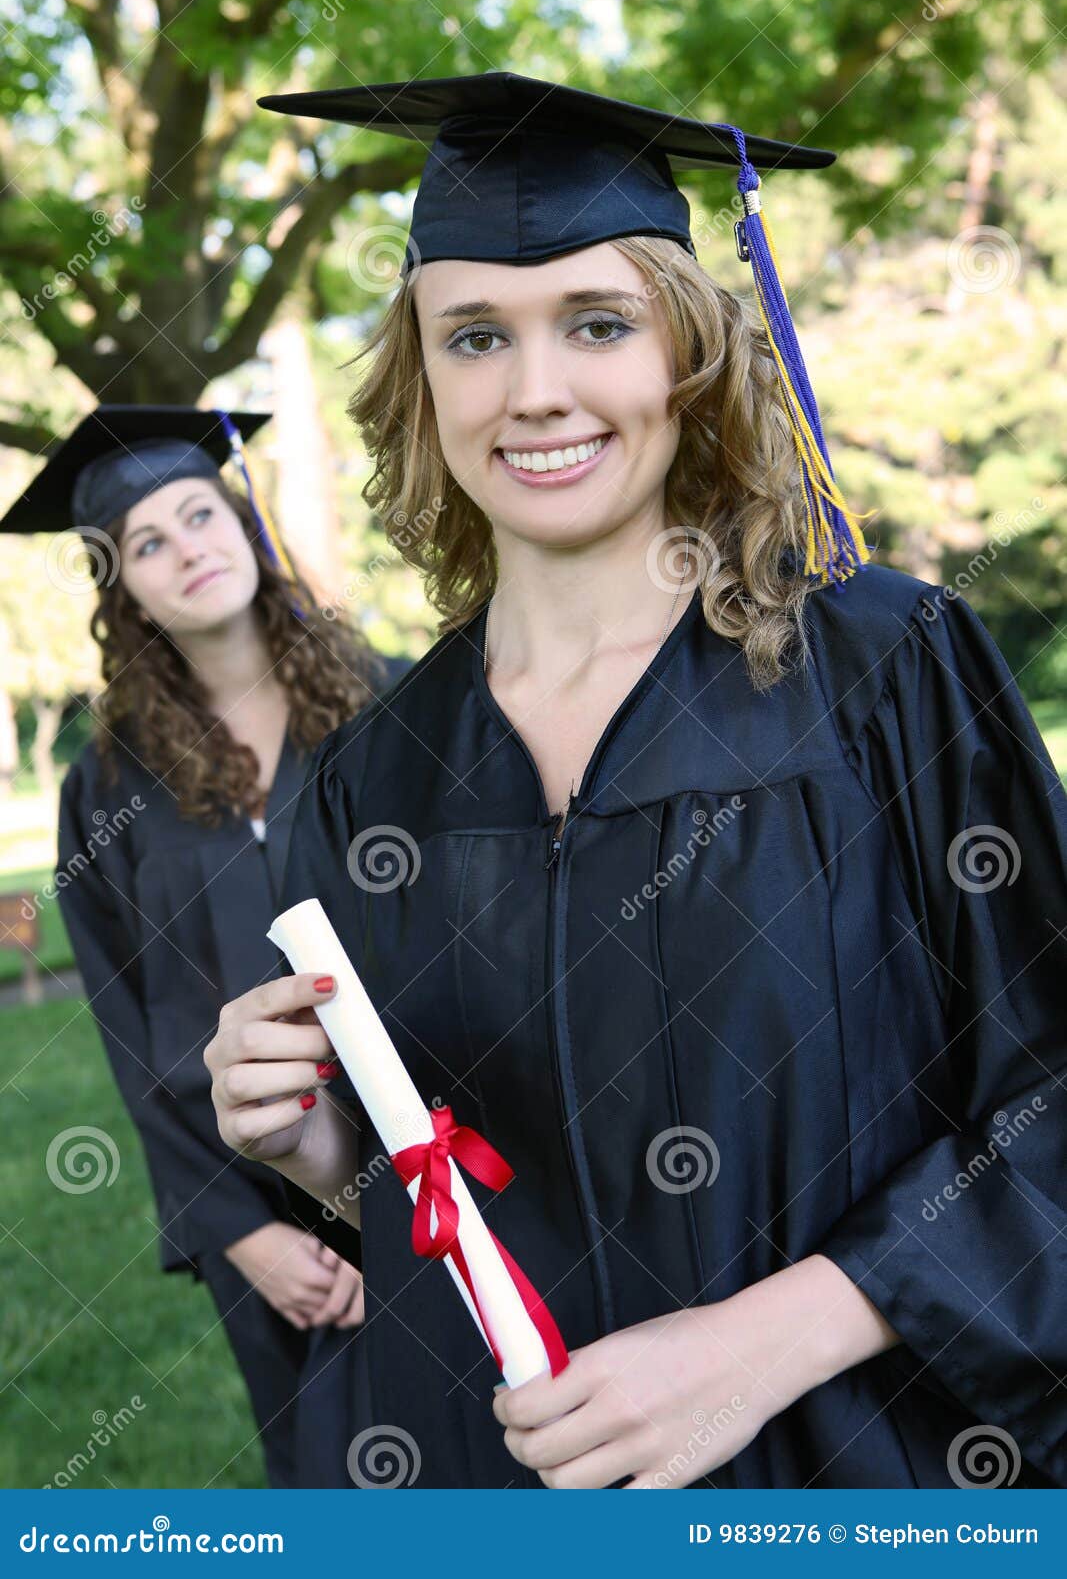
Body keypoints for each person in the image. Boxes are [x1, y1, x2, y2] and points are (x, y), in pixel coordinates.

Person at [206, 74, 1067, 1489]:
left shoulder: (881, 670)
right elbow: (430, 1206)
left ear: (689, 352)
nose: (534, 388)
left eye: (596, 325)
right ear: (420, 379)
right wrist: (318, 1147)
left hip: (853, 1479)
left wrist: (778, 1333)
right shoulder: (382, 771)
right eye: (474, 336)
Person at [1, 404, 408, 1488]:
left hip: (434, 1146)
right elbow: (131, 1030)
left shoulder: (395, 704)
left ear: (245, 525)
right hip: (249, 1183)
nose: (188, 548)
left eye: (200, 515)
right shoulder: (109, 786)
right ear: (120, 589)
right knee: (329, 1474)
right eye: (148, 542)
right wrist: (241, 1234)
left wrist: (395, 1203)